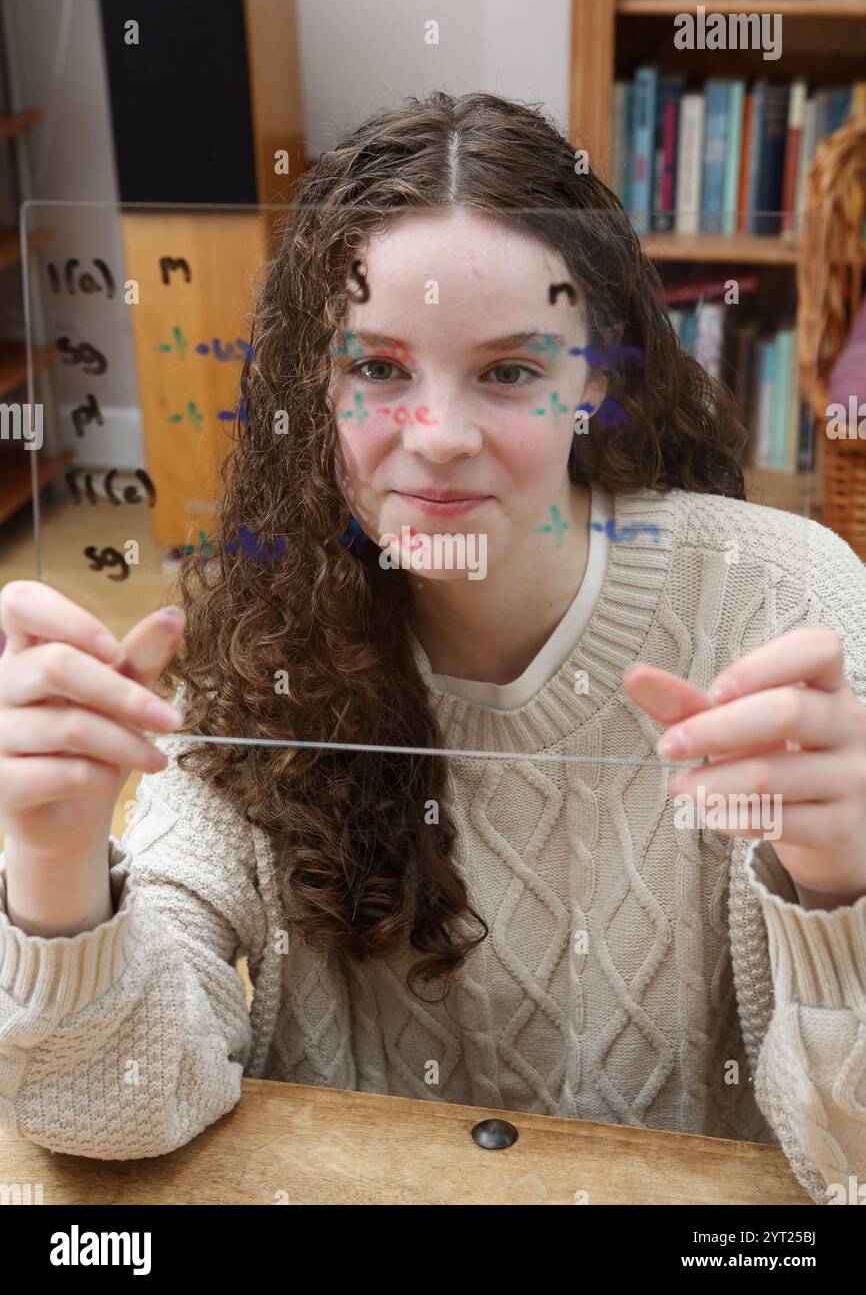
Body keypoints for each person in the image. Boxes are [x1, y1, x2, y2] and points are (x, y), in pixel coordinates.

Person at [1, 91, 865, 1205]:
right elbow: (112, 1110)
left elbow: (846, 1163)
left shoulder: (787, 608)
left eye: (507, 371)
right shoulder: (261, 636)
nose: (438, 438)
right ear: (318, 383)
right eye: (378, 370)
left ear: (593, 377)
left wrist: (840, 883)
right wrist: (56, 868)